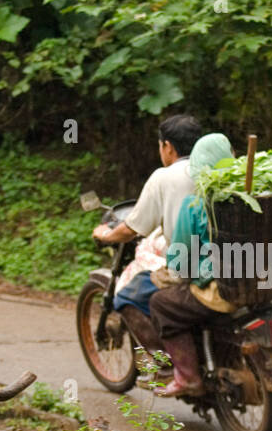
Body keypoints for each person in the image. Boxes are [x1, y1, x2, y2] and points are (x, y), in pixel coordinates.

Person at [150, 132, 235, 397]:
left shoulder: (197, 205)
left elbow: (182, 261)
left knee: (161, 303)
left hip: (219, 292)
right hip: (260, 283)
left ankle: (188, 378)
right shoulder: (253, 199)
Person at [92, 113, 202, 317]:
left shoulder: (163, 177)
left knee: (127, 298)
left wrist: (105, 235)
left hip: (189, 269)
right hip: (228, 261)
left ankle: (154, 350)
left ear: (167, 146)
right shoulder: (217, 171)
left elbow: (130, 230)